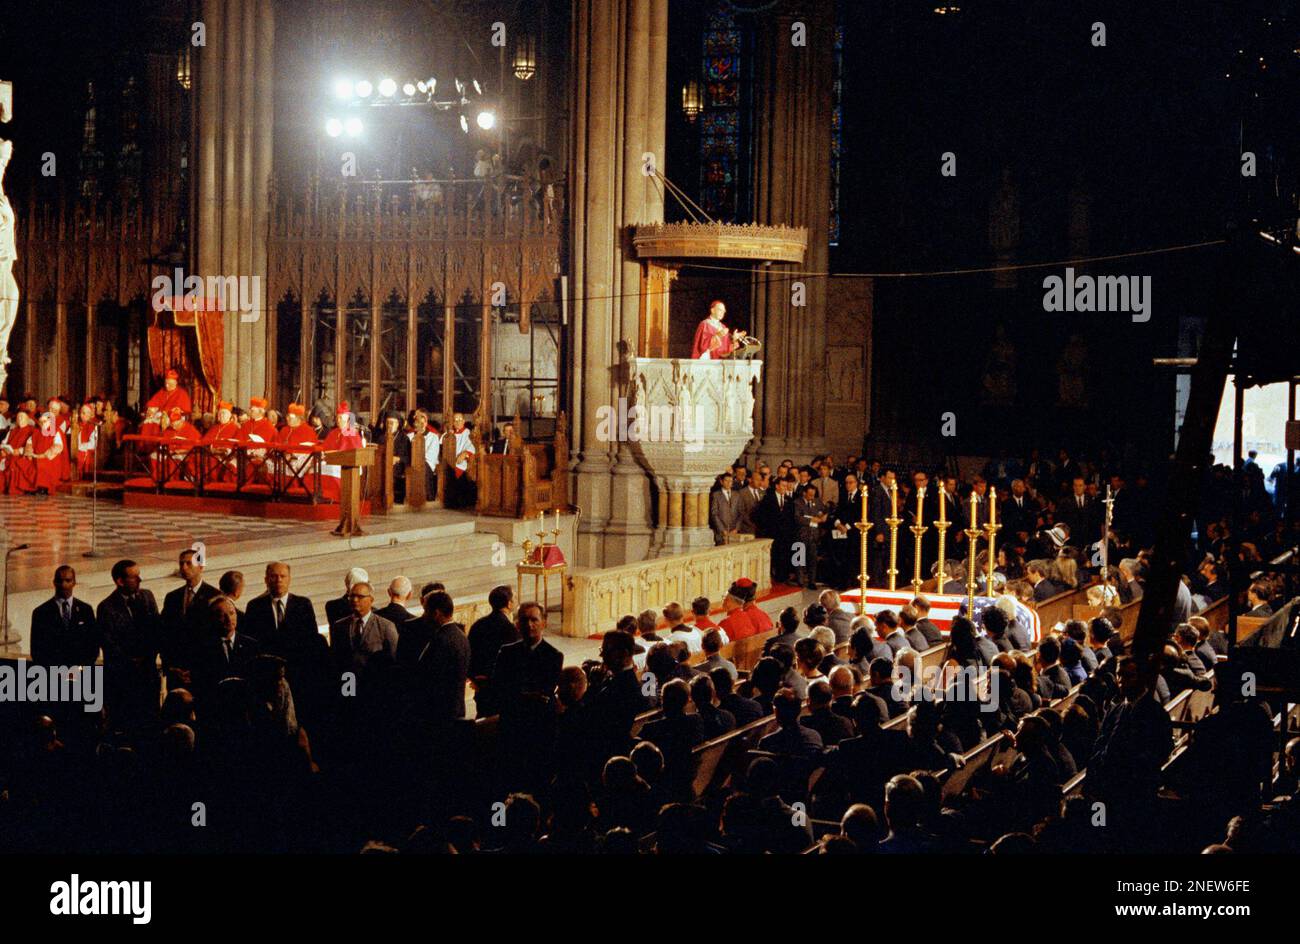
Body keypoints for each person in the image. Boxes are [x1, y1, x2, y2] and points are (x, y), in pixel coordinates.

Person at [96, 559, 163, 729]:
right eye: (134, 577)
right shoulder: (106, 607)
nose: (140, 580)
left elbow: (156, 629)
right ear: (120, 581)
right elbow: (109, 642)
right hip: (124, 678)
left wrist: (149, 655)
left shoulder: (147, 597)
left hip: (148, 675)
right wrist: (131, 661)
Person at [409, 590, 470, 724]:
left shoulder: (441, 640)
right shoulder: (460, 636)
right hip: (457, 710)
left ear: (436, 613)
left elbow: (429, 678)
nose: (424, 616)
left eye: (426, 611)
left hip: (440, 715)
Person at [160, 547, 220, 678]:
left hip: (202, 669)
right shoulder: (172, 597)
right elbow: (164, 632)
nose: (184, 567)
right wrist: (170, 666)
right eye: (181, 563)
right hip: (177, 669)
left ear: (200, 567)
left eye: (188, 563)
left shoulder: (214, 596)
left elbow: (216, 635)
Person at [30, 565, 99, 669]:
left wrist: (79, 670)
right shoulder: (41, 612)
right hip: (53, 675)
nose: (63, 585)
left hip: (81, 674)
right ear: (54, 582)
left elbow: (93, 646)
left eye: (68, 580)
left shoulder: (86, 610)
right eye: (59, 580)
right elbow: (37, 650)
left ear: (74, 582)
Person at [467, 585, 519, 717]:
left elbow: (469, 655)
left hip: (481, 688)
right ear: (509, 604)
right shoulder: (510, 630)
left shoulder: (478, 625)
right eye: (515, 598)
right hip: (501, 690)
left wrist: (475, 678)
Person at [317, 403, 364, 501]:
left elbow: (354, 452)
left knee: (333, 469)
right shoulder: (333, 432)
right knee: (316, 467)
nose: (339, 421)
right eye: (337, 418)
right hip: (330, 460)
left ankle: (336, 496)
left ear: (348, 419)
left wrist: (336, 455)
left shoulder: (352, 433)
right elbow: (324, 447)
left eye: (341, 418)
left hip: (345, 463)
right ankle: (318, 494)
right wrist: (322, 453)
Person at [443, 412, 476, 508]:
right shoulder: (449, 433)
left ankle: (458, 502)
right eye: (455, 420)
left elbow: (471, 447)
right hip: (448, 460)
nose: (457, 422)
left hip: (460, 462)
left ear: (464, 421)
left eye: (460, 420)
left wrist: (465, 453)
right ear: (452, 422)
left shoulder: (467, 433)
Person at [709, 471, 740, 544]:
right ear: (721, 481)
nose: (729, 483)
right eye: (726, 481)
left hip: (734, 533)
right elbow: (714, 514)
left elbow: (741, 513)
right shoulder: (716, 495)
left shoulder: (737, 495)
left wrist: (736, 528)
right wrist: (722, 530)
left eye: (731, 481)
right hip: (720, 533)